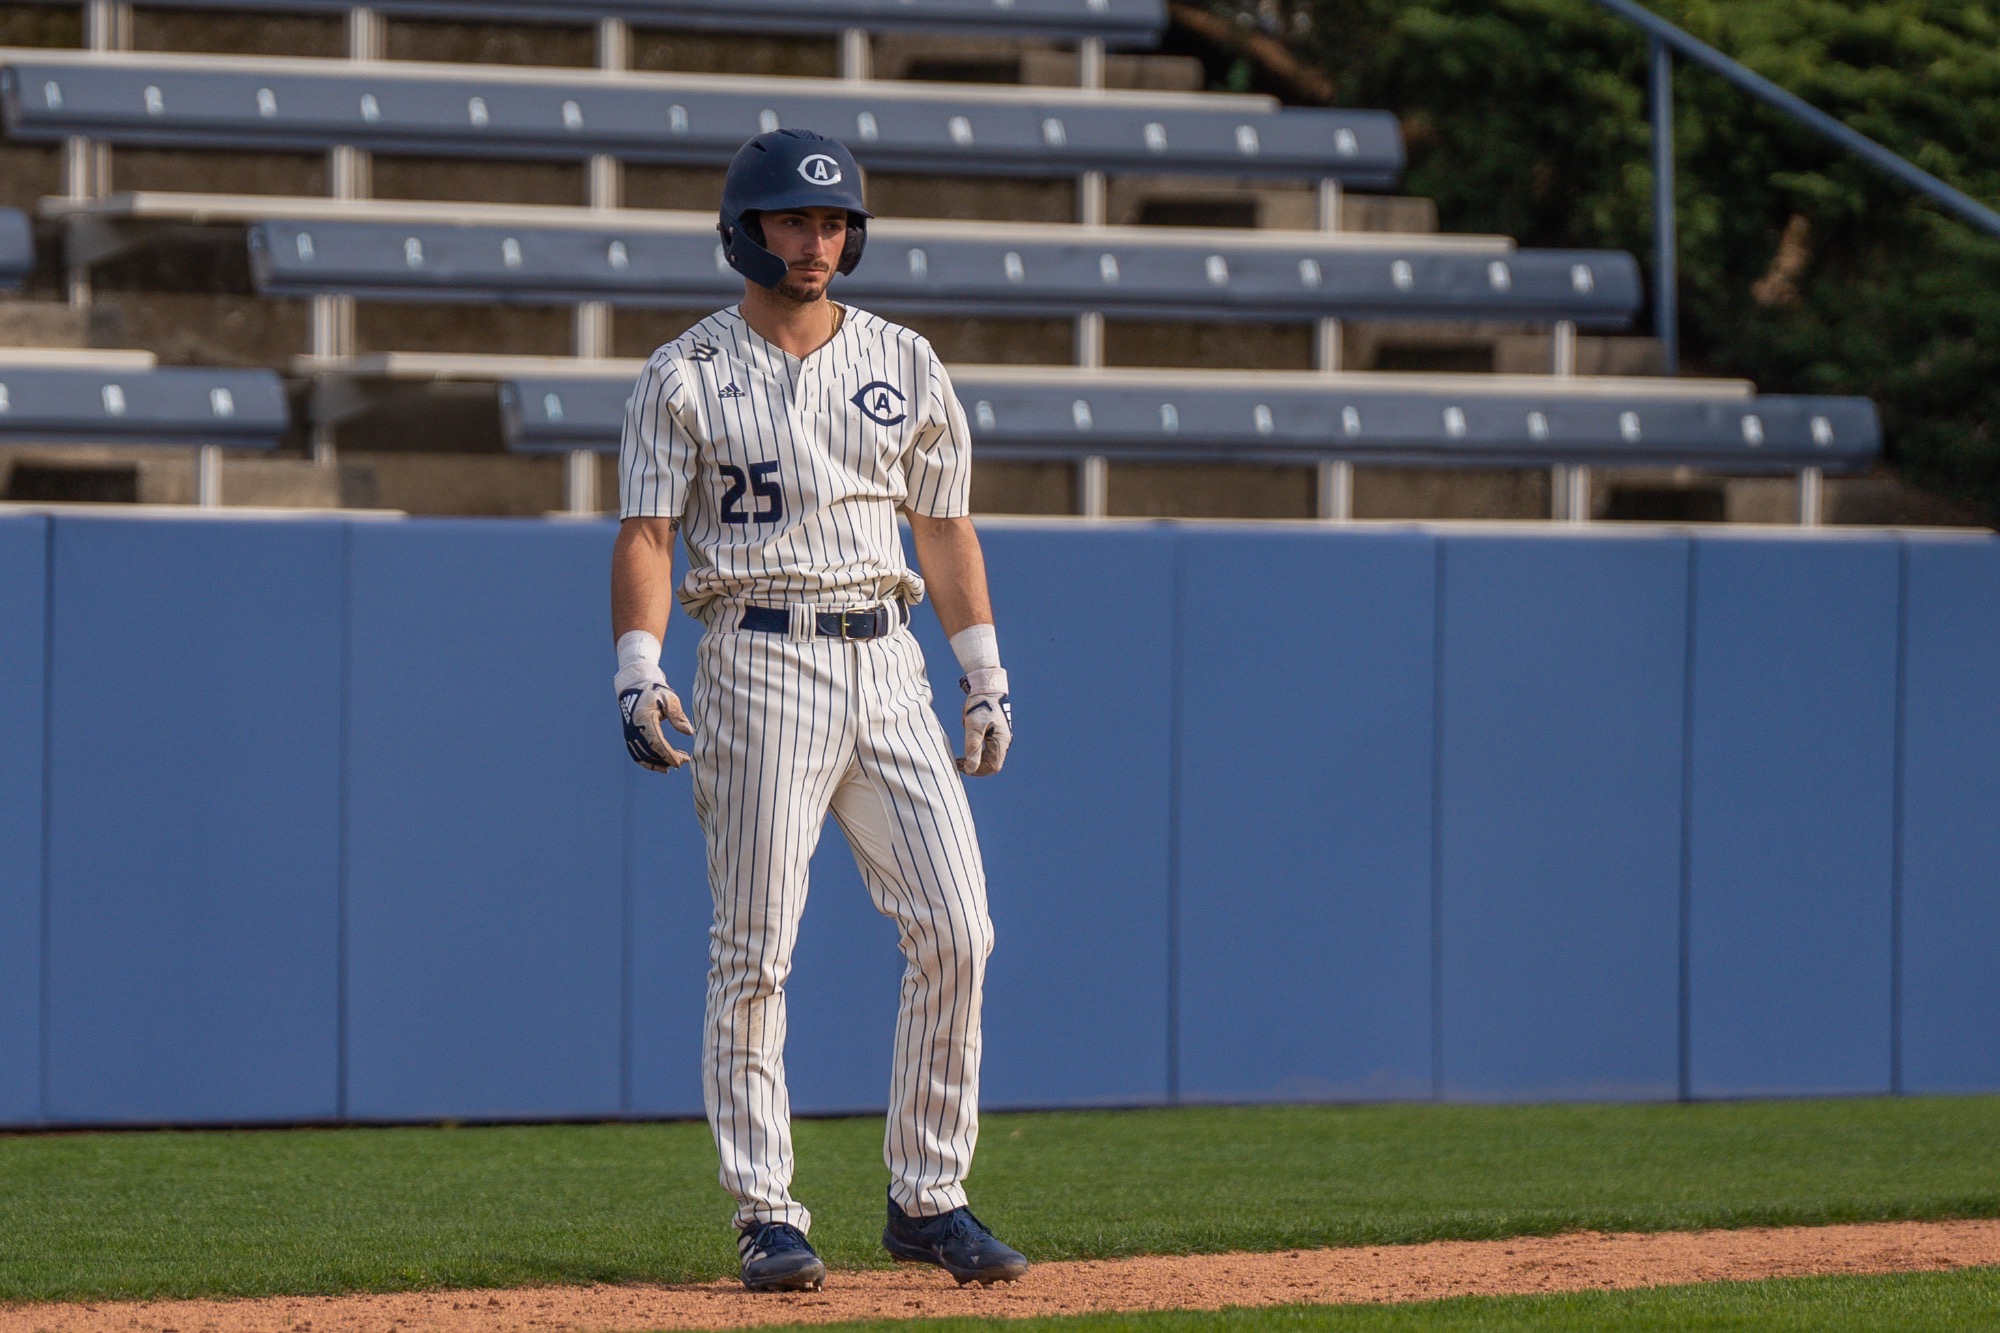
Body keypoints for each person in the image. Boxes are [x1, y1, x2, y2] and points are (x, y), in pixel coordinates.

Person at [608, 128, 1027, 1294]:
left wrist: (979, 667)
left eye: (834, 220)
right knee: (755, 949)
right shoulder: (683, 370)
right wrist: (638, 667)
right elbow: (644, 529)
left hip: (883, 655)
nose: (816, 240)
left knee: (957, 928)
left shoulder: (905, 356)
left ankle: (927, 1196)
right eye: (794, 220)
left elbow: (940, 521)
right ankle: (765, 1212)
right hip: (757, 653)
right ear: (745, 229)